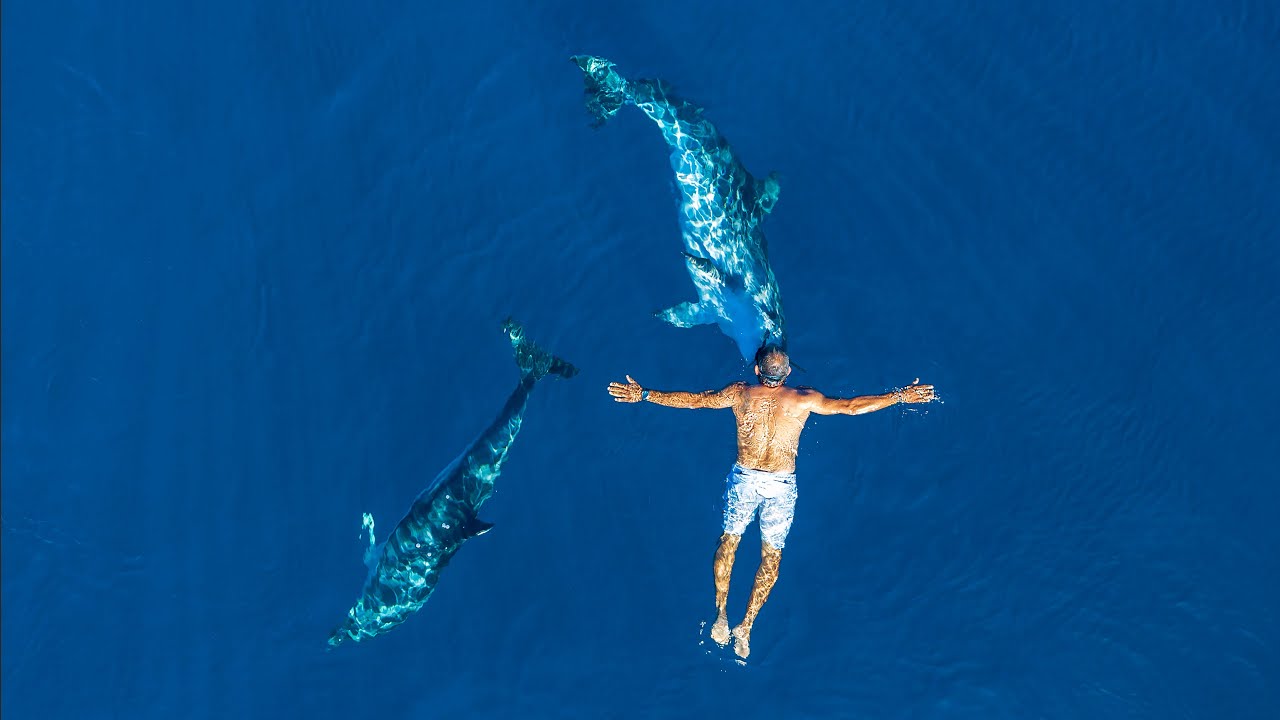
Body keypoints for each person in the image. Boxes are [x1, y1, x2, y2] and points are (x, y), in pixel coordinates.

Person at [607, 345, 936, 658]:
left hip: (745, 479)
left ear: (756, 370)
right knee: (771, 556)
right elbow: (850, 407)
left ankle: (721, 615)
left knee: (729, 541)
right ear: (788, 372)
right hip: (780, 486)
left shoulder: (739, 393)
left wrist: (645, 394)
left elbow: (695, 401)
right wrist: (899, 396)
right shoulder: (804, 399)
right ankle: (746, 627)